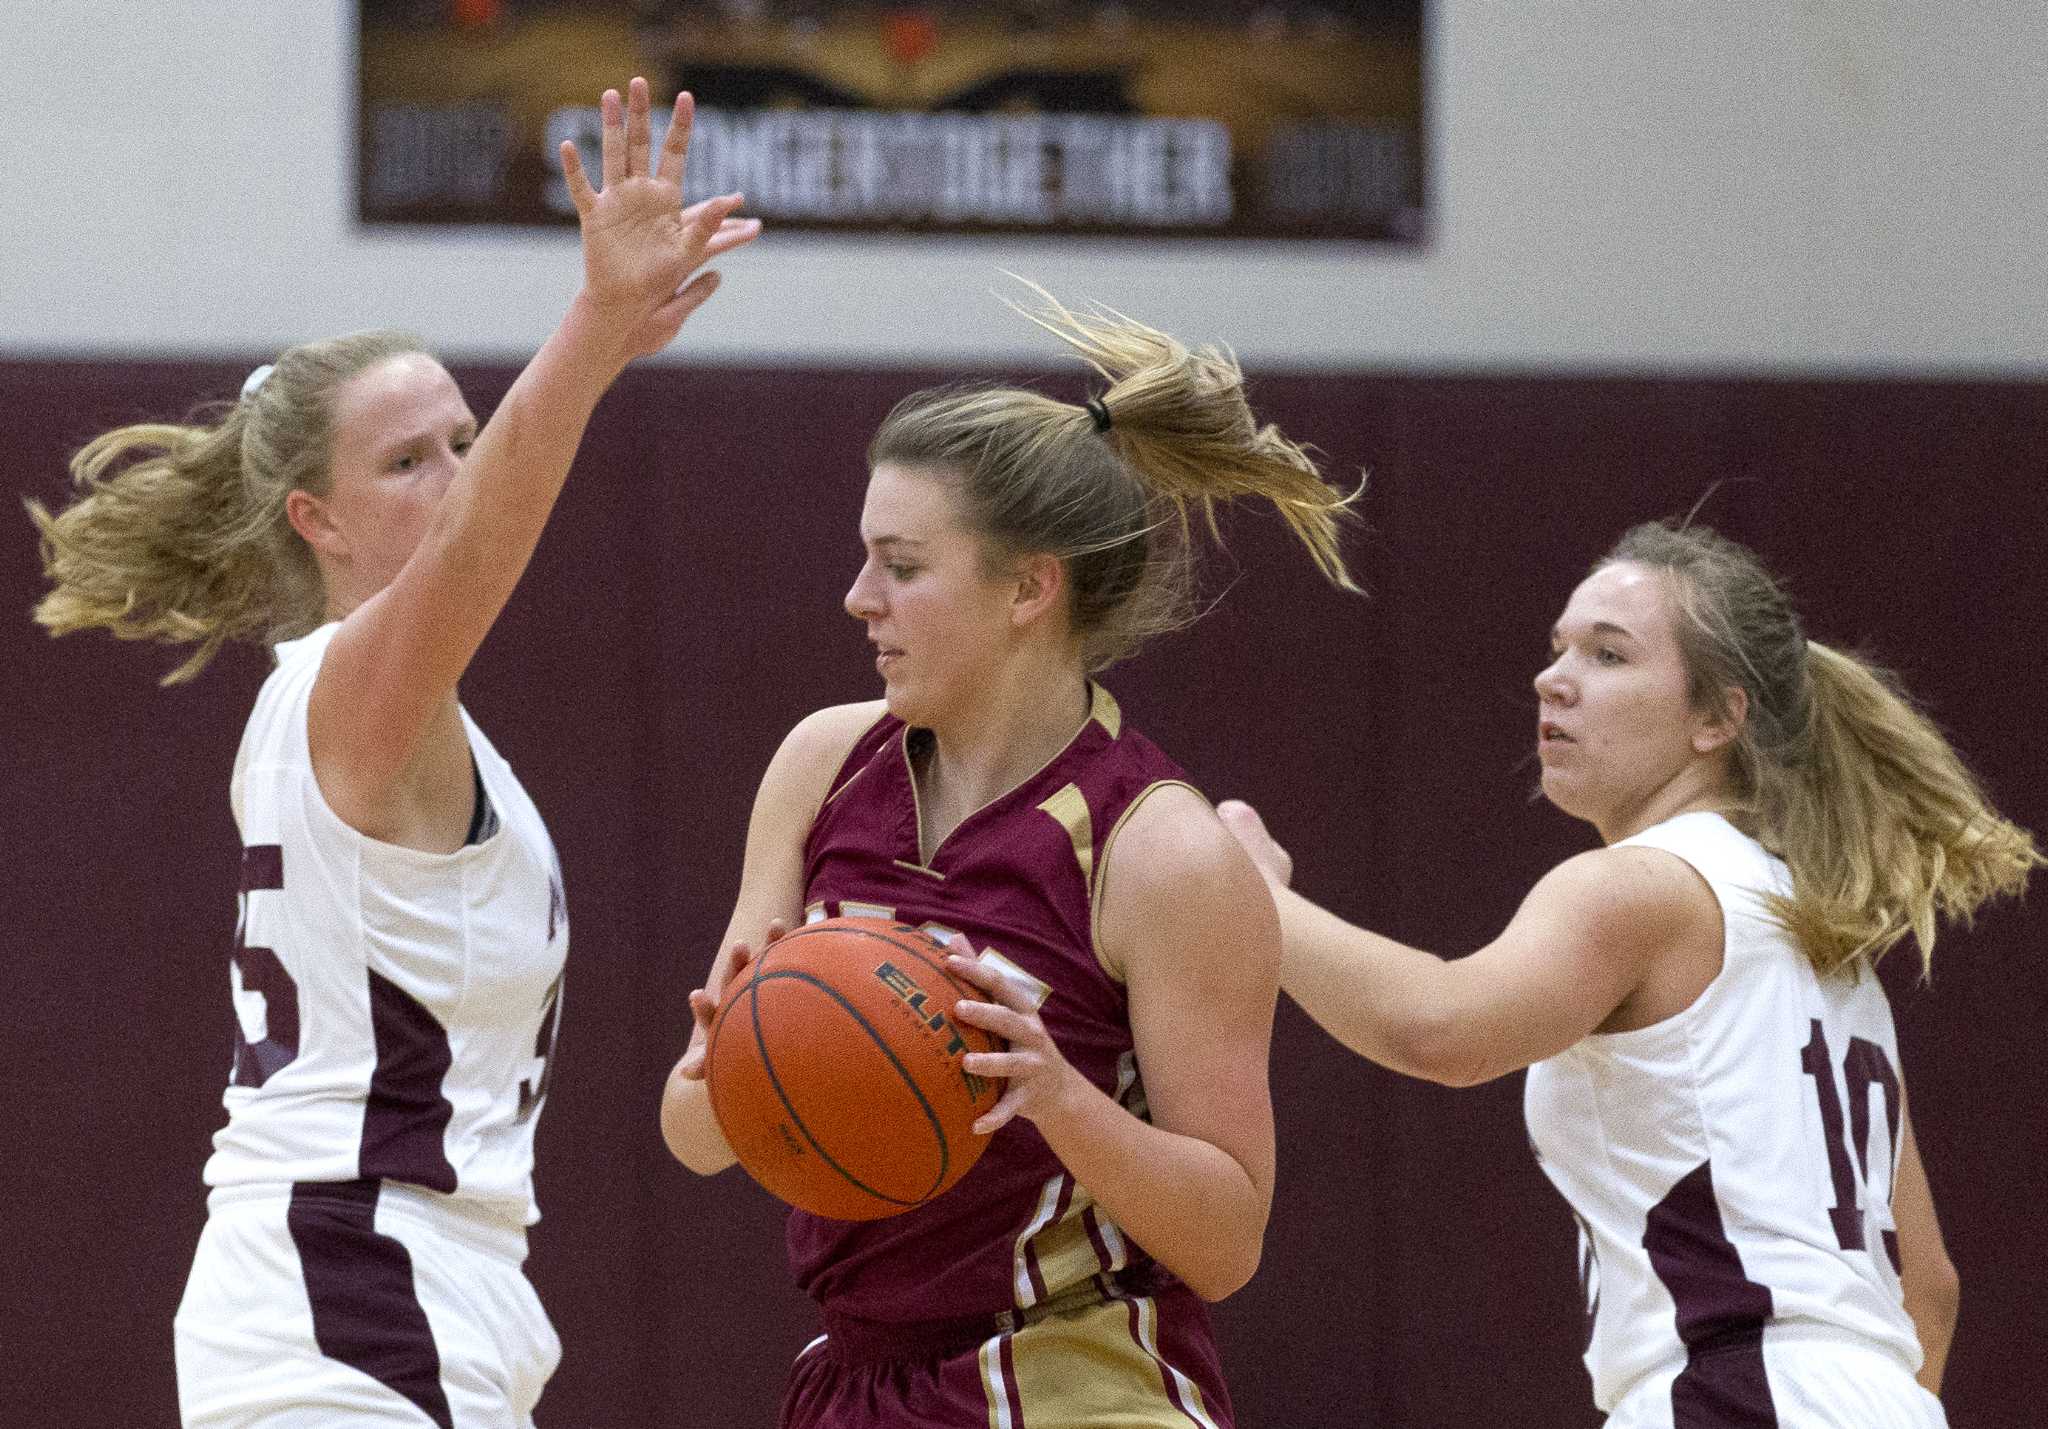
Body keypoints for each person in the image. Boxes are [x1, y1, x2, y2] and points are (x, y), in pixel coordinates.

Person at [26, 80, 758, 1428]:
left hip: (413, 1295)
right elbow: (482, 549)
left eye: (463, 444)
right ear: (318, 518)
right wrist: (592, 331)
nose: (456, 476)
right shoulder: (349, 682)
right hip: (345, 1297)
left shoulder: (407, 721)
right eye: (408, 460)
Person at [660, 289, 1359, 1427]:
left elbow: (1227, 1240)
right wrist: (731, 1058)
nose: (857, 598)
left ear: (1029, 586)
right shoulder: (821, 764)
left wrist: (1055, 1097)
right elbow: (689, 1139)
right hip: (852, 1377)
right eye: (862, 559)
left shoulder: (1159, 853)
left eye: (900, 565)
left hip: (1080, 1378)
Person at [1216, 520, 2042, 1428]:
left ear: (1717, 717)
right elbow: (1928, 1289)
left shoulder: (1644, 886)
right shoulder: (1820, 937)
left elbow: (1439, 1028)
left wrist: (1256, 900)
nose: (1553, 676)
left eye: (1608, 655)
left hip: (1735, 1394)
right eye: (1559, 647)